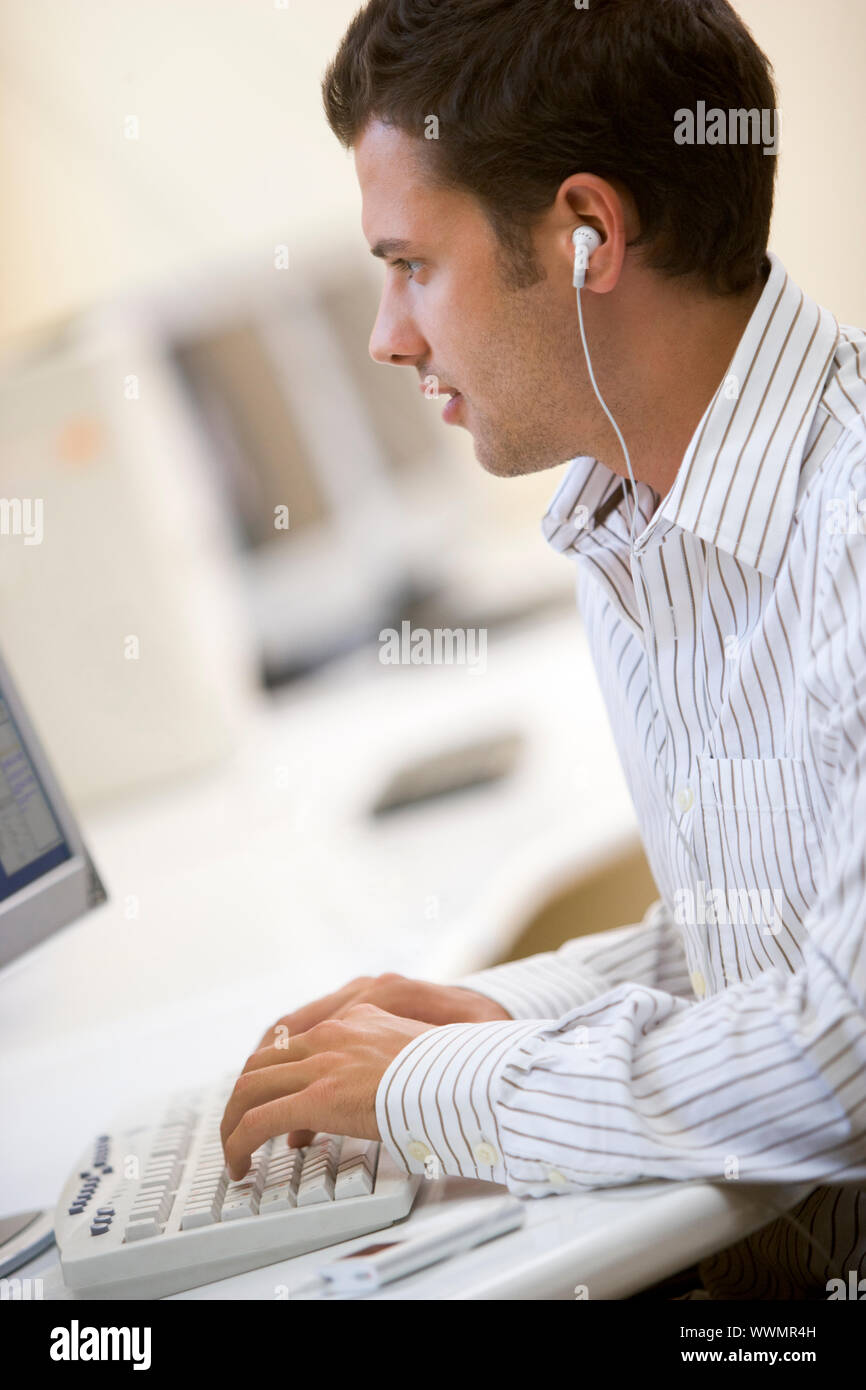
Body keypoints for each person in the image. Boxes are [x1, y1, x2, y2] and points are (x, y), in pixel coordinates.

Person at [219, 0, 866, 1300]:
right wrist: (507, 1011)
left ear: (584, 238)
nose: (388, 336)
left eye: (410, 264)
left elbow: (841, 1052)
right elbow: (773, 933)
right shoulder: (631, 520)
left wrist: (426, 1087)